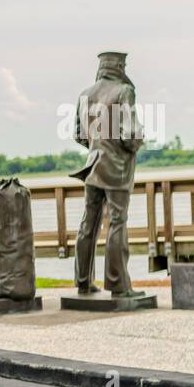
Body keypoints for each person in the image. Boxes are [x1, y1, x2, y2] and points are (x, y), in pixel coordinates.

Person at [70, 50, 146, 298]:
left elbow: (79, 134)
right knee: (117, 222)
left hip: (92, 165)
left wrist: (97, 145)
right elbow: (131, 134)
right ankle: (118, 285)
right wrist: (131, 147)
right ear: (119, 66)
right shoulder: (124, 91)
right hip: (116, 168)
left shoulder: (85, 94)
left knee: (88, 223)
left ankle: (83, 282)